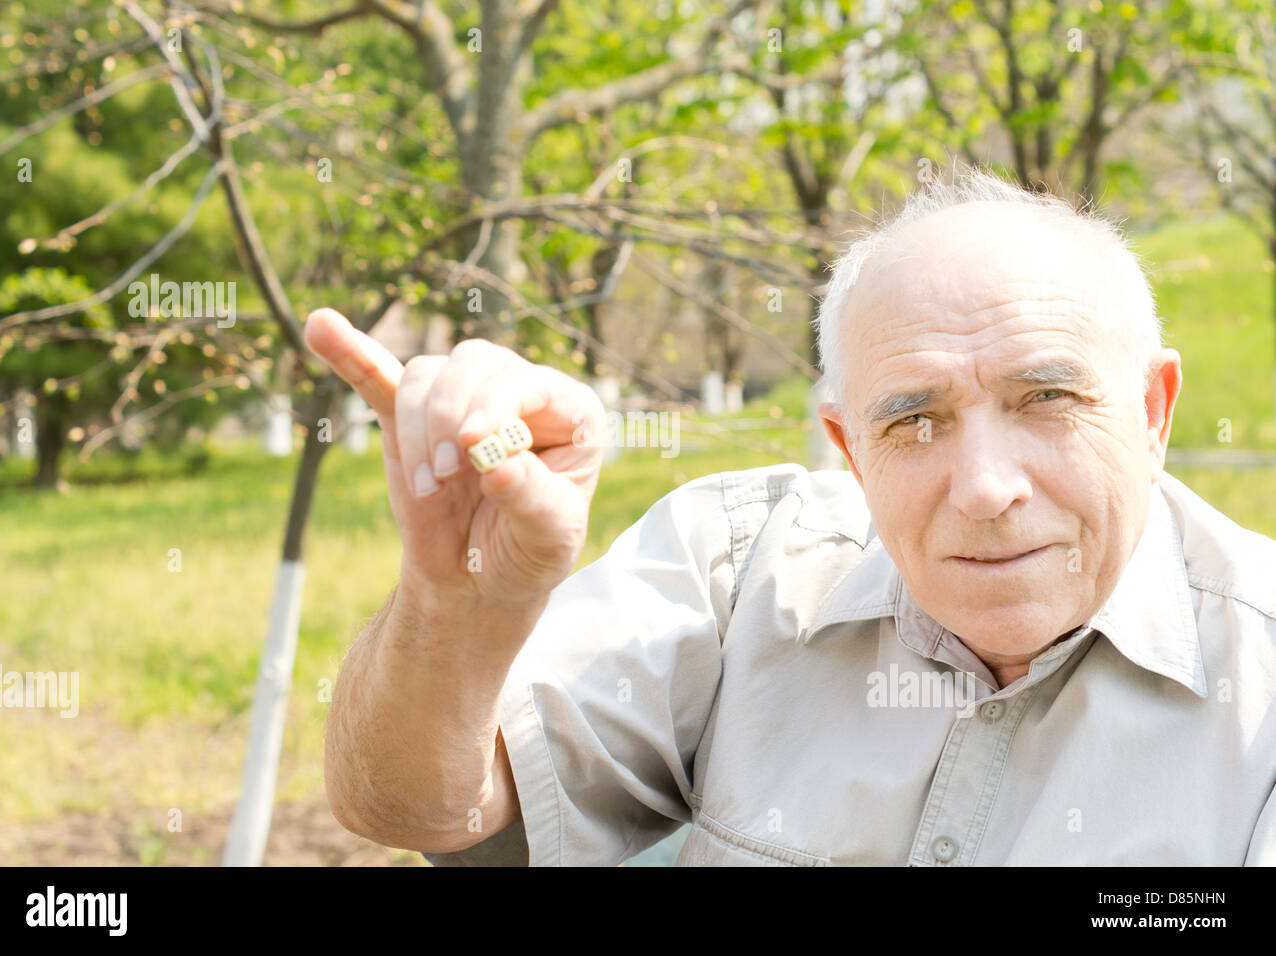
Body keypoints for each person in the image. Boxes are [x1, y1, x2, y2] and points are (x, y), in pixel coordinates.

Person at [309, 168, 1276, 866]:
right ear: (849, 448)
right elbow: (409, 806)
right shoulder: (740, 567)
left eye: (1047, 401)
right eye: (914, 420)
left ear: (1153, 412)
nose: (986, 488)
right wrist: (457, 606)